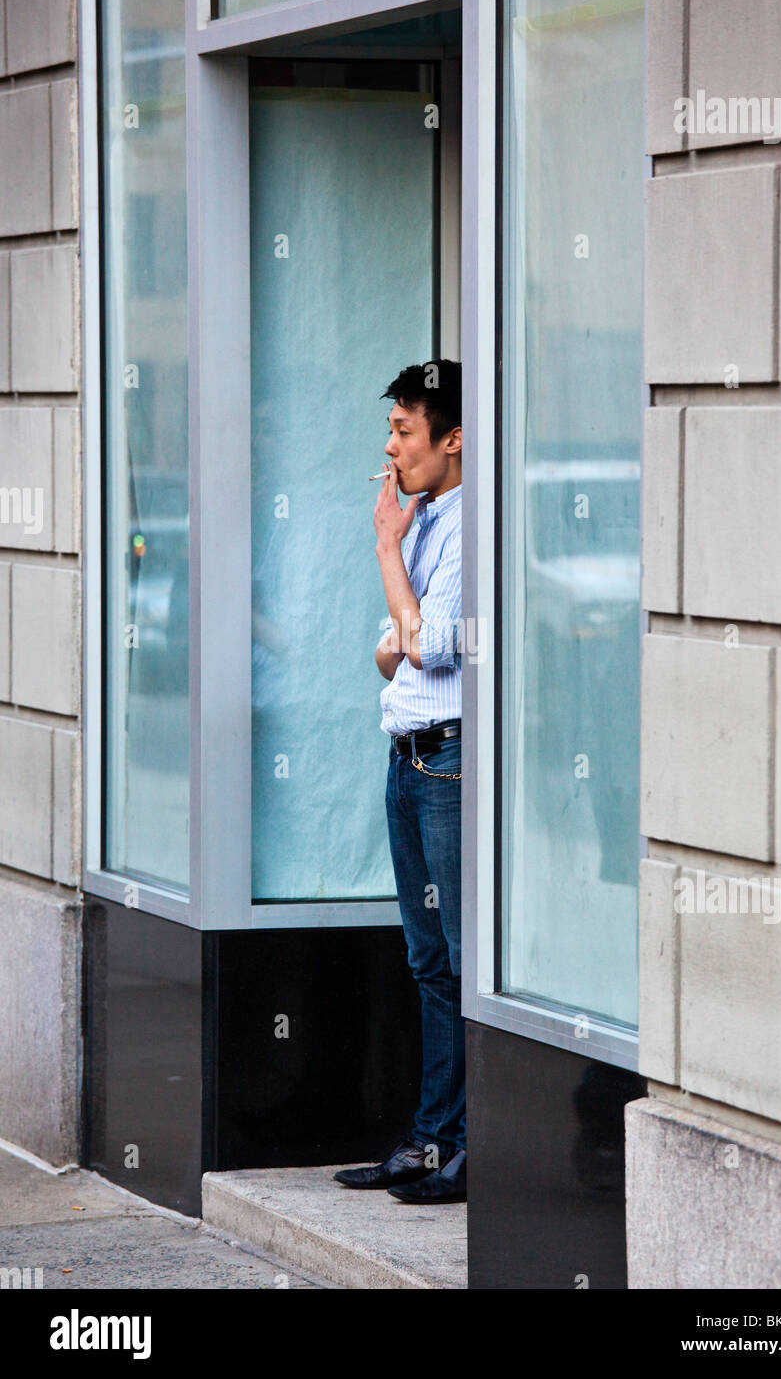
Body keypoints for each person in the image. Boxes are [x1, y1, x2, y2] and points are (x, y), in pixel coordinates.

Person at [334, 360, 466, 1204]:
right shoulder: (425, 522)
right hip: (407, 756)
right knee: (427, 962)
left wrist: (386, 545)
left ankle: (465, 1147)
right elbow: (389, 645)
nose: (390, 448)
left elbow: (427, 645)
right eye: (391, 430)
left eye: (405, 431)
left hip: (448, 764)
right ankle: (431, 1139)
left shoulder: (460, 526)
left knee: (459, 957)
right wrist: (404, 622)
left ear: (453, 440)